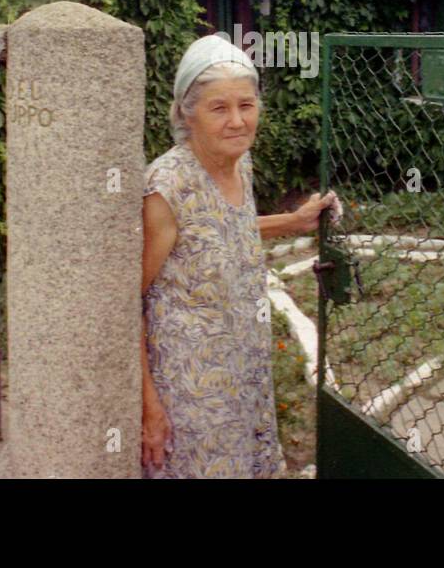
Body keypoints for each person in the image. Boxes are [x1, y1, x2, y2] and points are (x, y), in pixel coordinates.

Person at [140, 34, 340, 478]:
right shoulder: (167, 189)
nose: (237, 121)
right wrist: (148, 405)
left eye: (246, 106)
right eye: (219, 108)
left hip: (244, 366)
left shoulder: (239, 164)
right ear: (186, 114)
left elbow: (221, 229)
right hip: (191, 391)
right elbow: (123, 300)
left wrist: (291, 222)